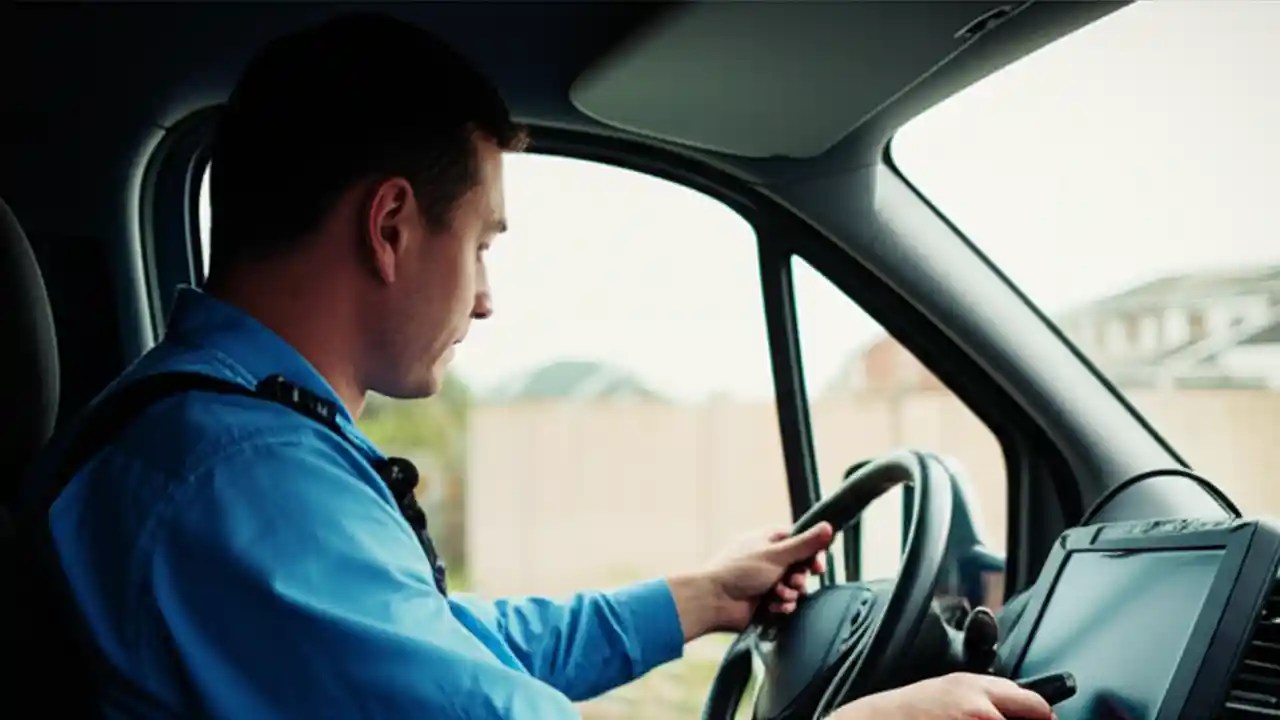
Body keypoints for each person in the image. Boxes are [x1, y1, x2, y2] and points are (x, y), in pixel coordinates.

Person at [42, 13, 1053, 719]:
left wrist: (700, 596)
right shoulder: (238, 480)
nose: (485, 297)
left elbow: (441, 653)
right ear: (390, 227)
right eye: (481, 243)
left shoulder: (224, 444)